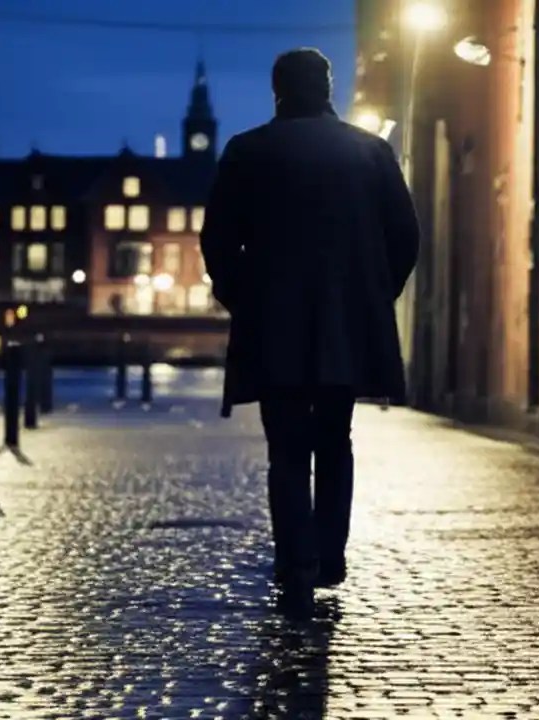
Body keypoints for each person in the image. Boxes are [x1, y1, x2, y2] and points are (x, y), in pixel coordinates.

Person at [200, 48, 420, 616]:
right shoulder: (369, 152)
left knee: (288, 449)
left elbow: (218, 243)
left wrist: (244, 300)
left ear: (277, 91)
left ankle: (295, 562)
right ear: (328, 86)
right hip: (347, 321)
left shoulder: (247, 152)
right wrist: (372, 298)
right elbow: (405, 236)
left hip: (274, 323)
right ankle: (329, 554)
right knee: (335, 439)